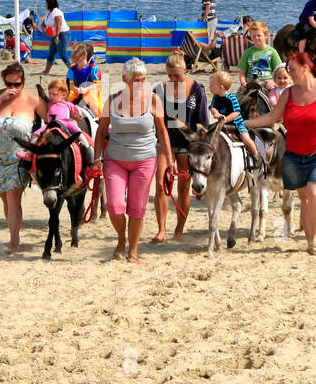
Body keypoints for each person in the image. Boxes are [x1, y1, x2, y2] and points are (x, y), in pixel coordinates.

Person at [246, 51, 316, 255]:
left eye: (292, 70)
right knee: (304, 198)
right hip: (294, 155)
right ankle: (310, 241)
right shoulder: (288, 93)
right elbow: (273, 117)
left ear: (305, 67)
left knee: (314, 193)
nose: (289, 74)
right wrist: (243, 123)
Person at [94, 58, 172, 265]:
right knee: (115, 206)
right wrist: (96, 159)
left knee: (137, 207)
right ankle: (121, 239)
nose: (141, 84)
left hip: (144, 159)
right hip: (115, 159)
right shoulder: (111, 101)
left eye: (144, 79)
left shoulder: (154, 100)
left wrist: (170, 160)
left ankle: (134, 251)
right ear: (124, 80)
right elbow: (101, 132)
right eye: (136, 80)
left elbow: (162, 132)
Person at [0, 60, 46, 253]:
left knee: (14, 198)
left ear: (24, 82)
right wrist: (1, 98)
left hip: (18, 159)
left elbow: (52, 120)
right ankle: (13, 234)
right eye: (9, 84)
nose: (13, 88)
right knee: (5, 199)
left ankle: (14, 242)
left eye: (17, 84)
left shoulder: (33, 100)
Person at [152, 53, 209, 243]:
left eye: (177, 75)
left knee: (183, 188)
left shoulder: (197, 89)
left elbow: (202, 123)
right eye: (170, 75)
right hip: (164, 142)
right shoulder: (158, 90)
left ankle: (179, 230)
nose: (174, 79)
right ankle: (161, 230)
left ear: (186, 70)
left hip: (188, 145)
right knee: (161, 185)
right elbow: (155, 121)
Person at [208, 71, 263, 170]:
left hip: (237, 124)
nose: (209, 87)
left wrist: (225, 119)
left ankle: (256, 155)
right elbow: (212, 107)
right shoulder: (216, 97)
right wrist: (215, 113)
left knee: (246, 139)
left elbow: (236, 113)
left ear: (220, 87)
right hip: (222, 122)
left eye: (211, 85)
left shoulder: (232, 98)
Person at [239, 20, 282, 90]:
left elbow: (279, 71)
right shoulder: (247, 52)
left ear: (265, 35)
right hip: (250, 83)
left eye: (259, 35)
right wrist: (243, 83)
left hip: (267, 82)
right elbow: (242, 73)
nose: (256, 38)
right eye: (253, 36)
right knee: (238, 99)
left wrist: (273, 82)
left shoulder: (272, 52)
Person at [66, 41, 101, 114]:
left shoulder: (94, 70)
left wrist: (86, 89)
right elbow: (70, 83)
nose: (72, 54)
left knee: (93, 99)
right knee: (67, 96)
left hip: (90, 90)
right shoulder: (72, 70)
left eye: (75, 53)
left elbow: (97, 85)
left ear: (84, 55)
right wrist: (76, 89)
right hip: (76, 90)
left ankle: (100, 117)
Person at [41, 0, 71, 75]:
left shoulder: (56, 12)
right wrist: (45, 29)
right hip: (55, 34)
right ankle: (46, 71)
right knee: (51, 52)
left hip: (63, 33)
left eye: (46, 3)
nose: (45, 5)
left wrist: (57, 36)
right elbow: (43, 24)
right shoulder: (48, 13)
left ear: (50, 4)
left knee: (63, 53)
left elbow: (59, 24)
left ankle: (73, 71)